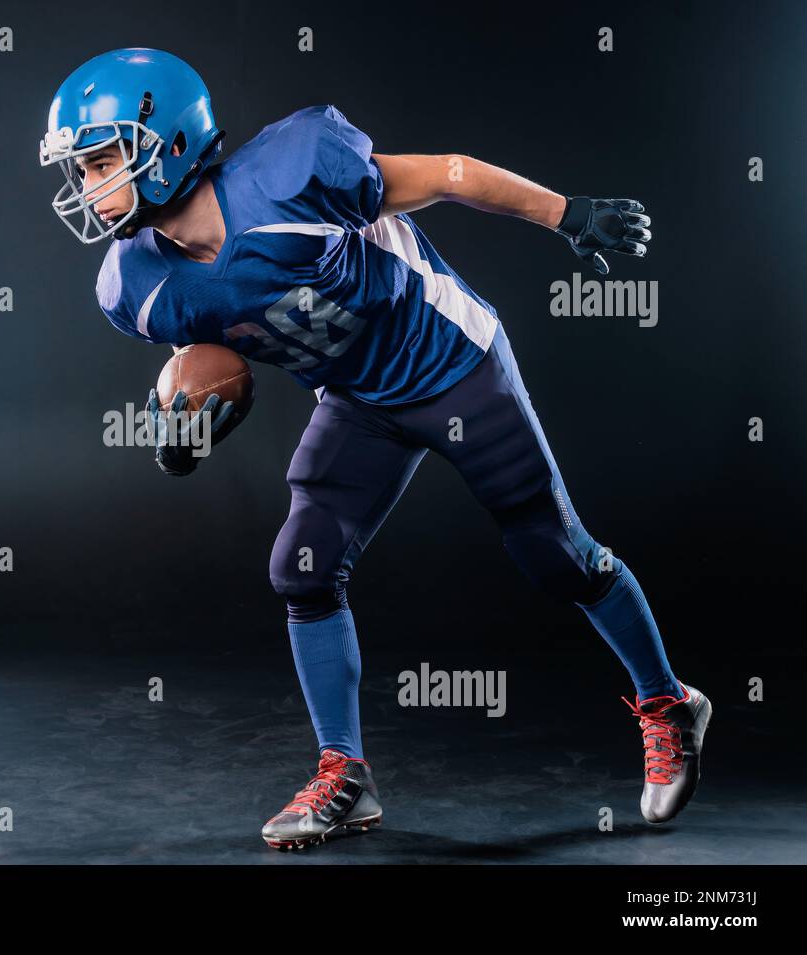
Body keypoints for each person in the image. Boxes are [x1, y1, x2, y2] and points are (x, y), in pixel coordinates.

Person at [38, 47, 711, 851]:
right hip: (358, 400)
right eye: (82, 167)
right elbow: (200, 362)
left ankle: (668, 702)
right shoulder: (136, 285)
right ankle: (345, 773)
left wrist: (567, 212)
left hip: (453, 364)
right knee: (302, 567)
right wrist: (176, 434)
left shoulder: (290, 173)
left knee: (554, 555)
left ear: (170, 144)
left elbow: (451, 173)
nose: (88, 186)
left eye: (102, 160)